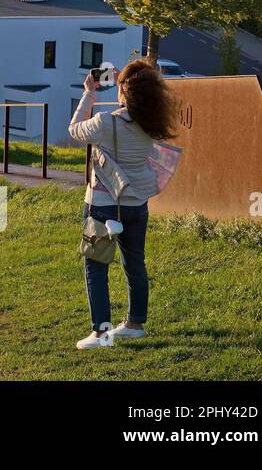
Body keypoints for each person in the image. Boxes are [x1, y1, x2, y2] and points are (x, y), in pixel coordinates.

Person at [68, 58, 178, 350]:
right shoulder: (151, 125)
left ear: (124, 92)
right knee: (135, 264)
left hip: (103, 204)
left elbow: (74, 129)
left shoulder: (107, 123)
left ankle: (101, 332)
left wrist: (90, 92)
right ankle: (134, 324)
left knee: (96, 264)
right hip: (135, 205)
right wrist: (125, 82)